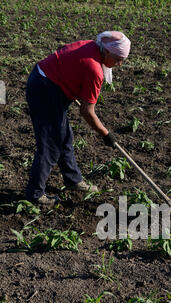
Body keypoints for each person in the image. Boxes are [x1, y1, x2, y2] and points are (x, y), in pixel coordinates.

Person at [25, 31, 131, 207]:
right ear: (106, 51)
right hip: (45, 90)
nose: (119, 64)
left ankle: (73, 180)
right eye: (118, 59)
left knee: (64, 137)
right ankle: (35, 195)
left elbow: (62, 51)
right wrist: (105, 134)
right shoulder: (94, 70)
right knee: (50, 145)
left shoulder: (91, 45)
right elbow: (87, 112)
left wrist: (68, 78)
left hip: (46, 81)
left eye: (123, 60)